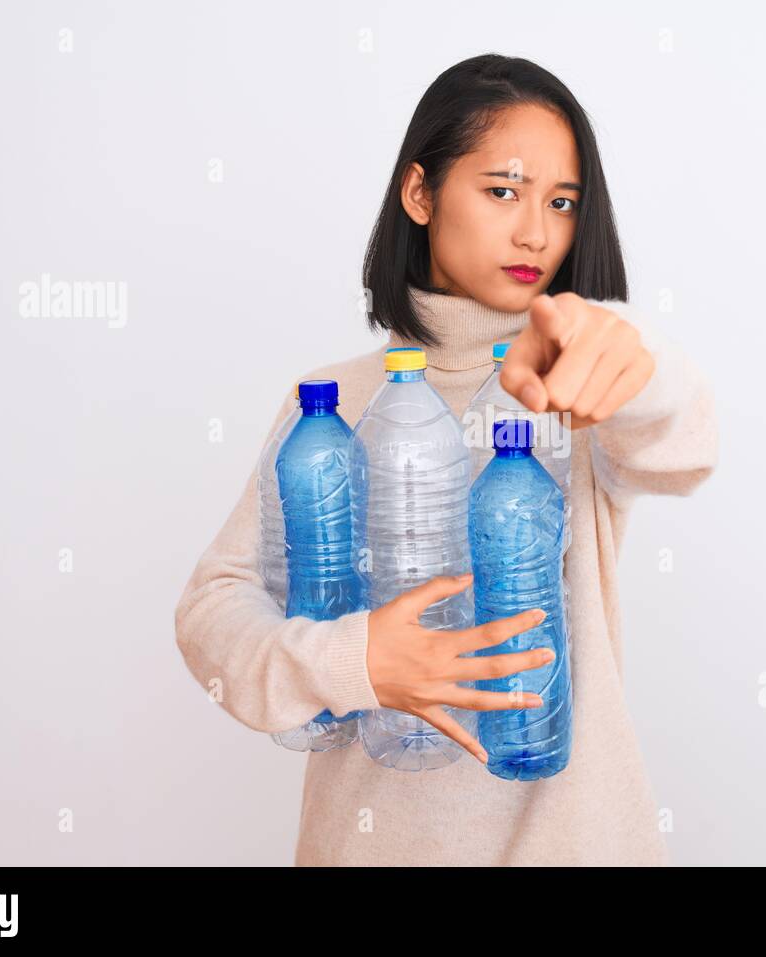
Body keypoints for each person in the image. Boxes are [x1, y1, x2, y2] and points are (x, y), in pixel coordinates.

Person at [174, 53, 718, 866]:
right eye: (503, 190)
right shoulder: (330, 402)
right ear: (420, 193)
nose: (536, 231)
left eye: (561, 202)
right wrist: (352, 659)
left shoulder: (573, 387)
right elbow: (211, 612)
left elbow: (685, 444)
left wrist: (624, 350)